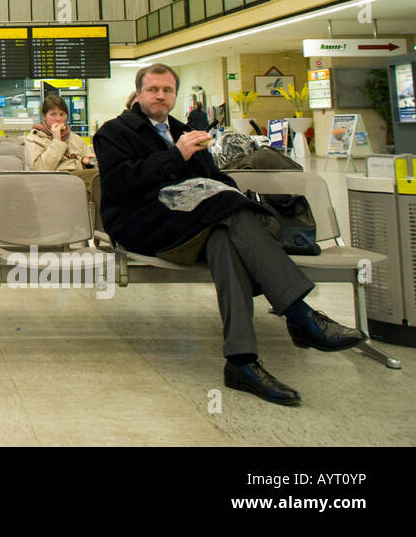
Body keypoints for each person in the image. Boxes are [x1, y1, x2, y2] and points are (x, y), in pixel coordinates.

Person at [93, 64, 363, 406]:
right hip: (146, 225)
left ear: (175, 95)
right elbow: (120, 186)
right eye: (153, 90)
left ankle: (241, 362)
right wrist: (177, 156)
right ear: (139, 93)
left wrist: (211, 175)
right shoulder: (115, 132)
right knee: (229, 208)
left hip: (198, 222)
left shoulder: (184, 130)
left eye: (167, 90)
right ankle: (300, 316)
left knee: (225, 239)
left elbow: (217, 179)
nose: (160, 95)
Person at [24, 96, 96, 194]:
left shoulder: (75, 138)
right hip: (50, 183)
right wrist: (57, 141)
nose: (58, 119)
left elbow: (91, 163)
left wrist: (88, 162)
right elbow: (40, 170)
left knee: (99, 177)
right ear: (44, 116)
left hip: (78, 180)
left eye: (62, 114)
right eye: (53, 114)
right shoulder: (33, 139)